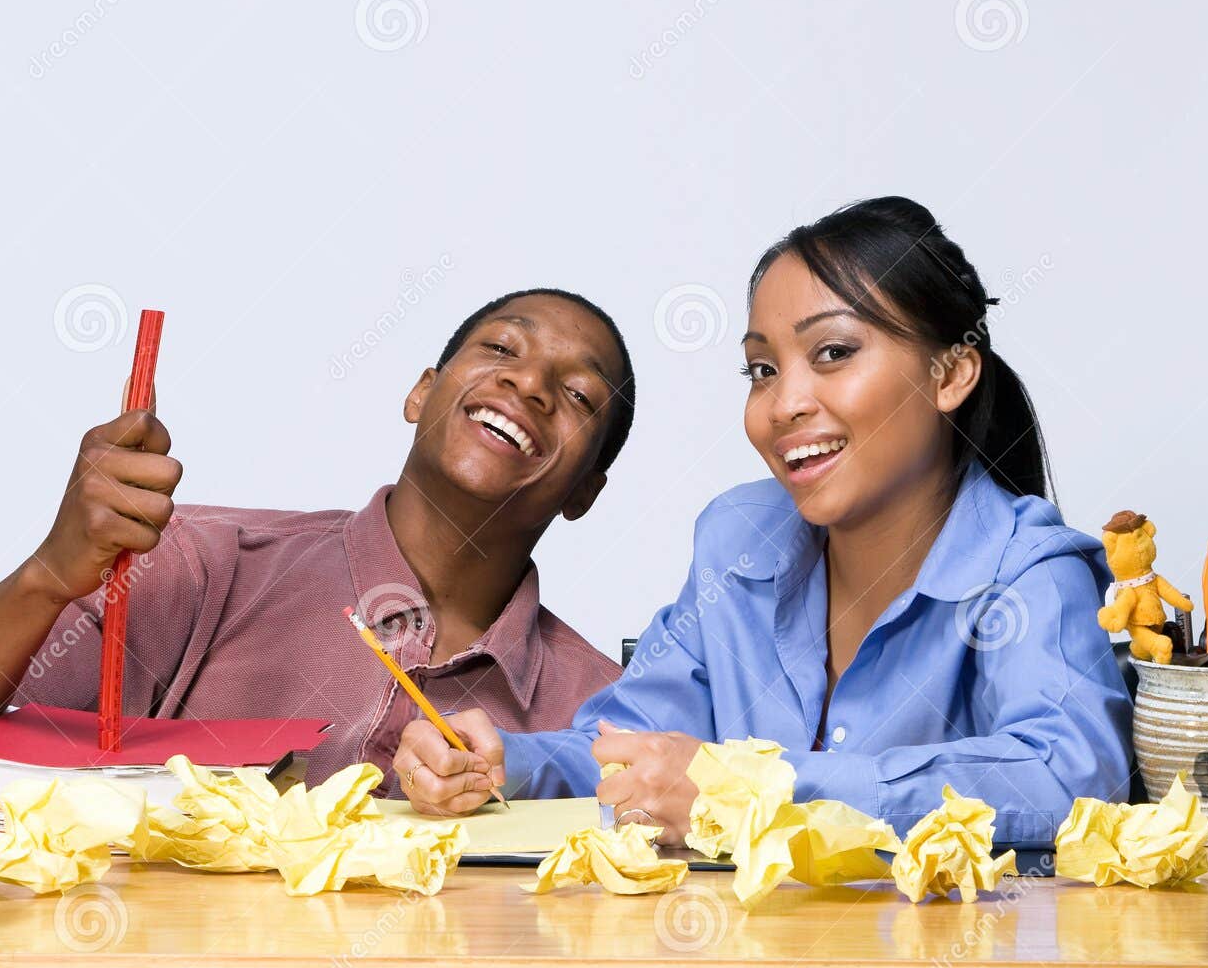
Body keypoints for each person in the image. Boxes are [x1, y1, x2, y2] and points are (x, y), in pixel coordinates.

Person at [395, 198, 1132, 845]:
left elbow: (1070, 779)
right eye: (763, 370)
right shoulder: (738, 541)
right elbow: (631, 746)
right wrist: (501, 760)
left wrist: (755, 789)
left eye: (833, 352)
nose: (783, 405)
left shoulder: (1027, 569)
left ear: (951, 373)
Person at [0, 288, 636, 787]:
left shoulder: (607, 709)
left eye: (577, 395)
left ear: (588, 491)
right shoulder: (193, 564)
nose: (529, 384)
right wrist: (48, 576)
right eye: (500, 348)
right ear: (421, 392)